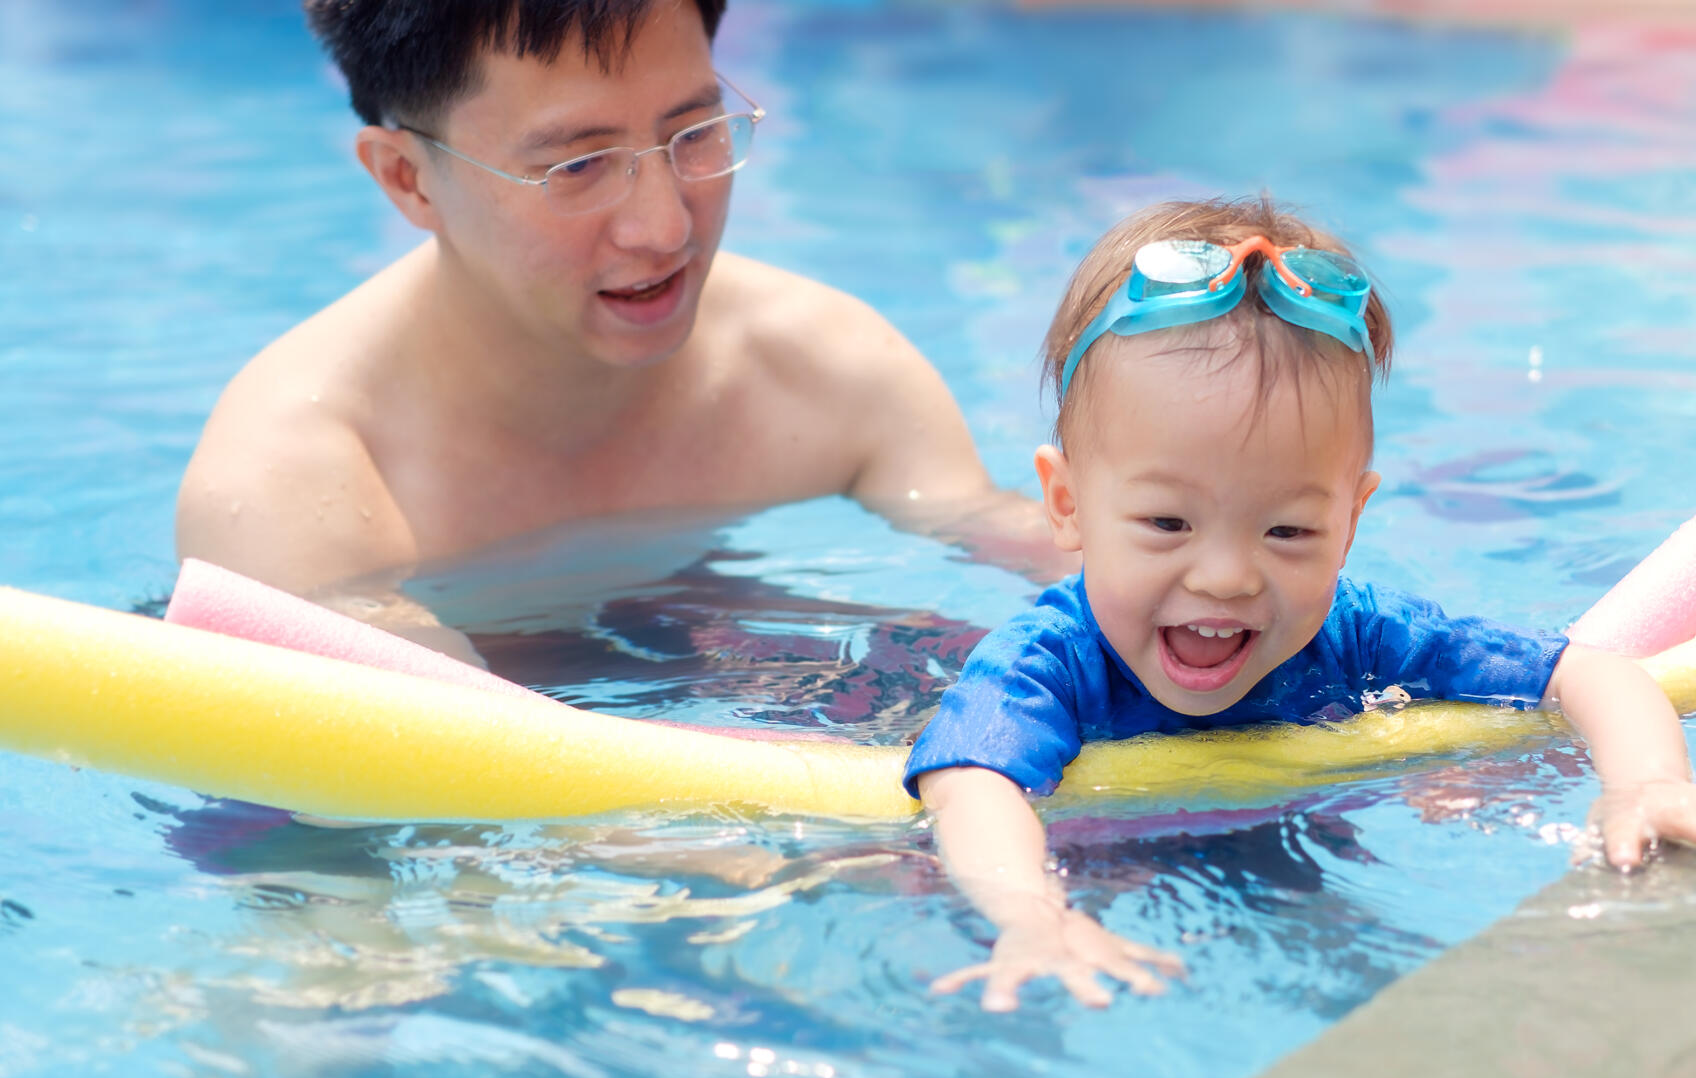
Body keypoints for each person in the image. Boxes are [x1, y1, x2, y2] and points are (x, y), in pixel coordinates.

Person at [905, 196, 1696, 1012]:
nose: (1226, 577)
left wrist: (1645, 784)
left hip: (1291, 855)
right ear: (1066, 505)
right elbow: (972, 783)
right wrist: (1031, 914)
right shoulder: (1049, 661)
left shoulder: (1362, 636)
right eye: (1167, 521)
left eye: (1288, 532)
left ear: (1350, 520)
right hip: (1098, 882)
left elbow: (1588, 672)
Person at [176, 0, 1060, 659]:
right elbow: (459, 795)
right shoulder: (301, 480)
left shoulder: (826, 370)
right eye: (579, 164)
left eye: (696, 131)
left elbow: (1014, 543)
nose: (664, 227)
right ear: (409, 181)